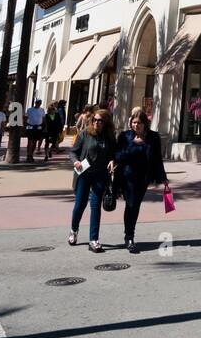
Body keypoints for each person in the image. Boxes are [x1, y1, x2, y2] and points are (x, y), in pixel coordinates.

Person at [110, 107, 168, 255]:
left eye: (139, 123)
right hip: (126, 177)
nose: (136, 125)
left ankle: (129, 234)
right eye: (134, 122)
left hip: (143, 179)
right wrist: (132, 146)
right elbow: (118, 155)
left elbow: (157, 159)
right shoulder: (125, 136)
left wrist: (163, 177)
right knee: (131, 205)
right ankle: (129, 237)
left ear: (145, 124)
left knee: (134, 206)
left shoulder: (153, 137)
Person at [68, 108, 113, 253]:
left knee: (95, 206)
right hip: (84, 173)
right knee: (80, 205)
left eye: (100, 120)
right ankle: (74, 230)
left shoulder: (109, 137)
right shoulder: (85, 134)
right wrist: (76, 162)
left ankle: (93, 240)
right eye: (95, 120)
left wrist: (113, 160)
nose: (97, 123)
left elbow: (113, 153)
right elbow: (73, 152)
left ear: (105, 122)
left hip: (100, 175)